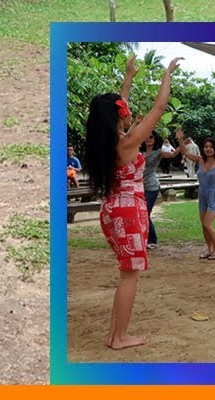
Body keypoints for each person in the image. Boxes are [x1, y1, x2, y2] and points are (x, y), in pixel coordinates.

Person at [84, 53, 183, 350]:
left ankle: (115, 334)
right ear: (119, 116)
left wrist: (128, 78)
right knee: (130, 276)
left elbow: (119, 105)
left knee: (126, 274)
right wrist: (167, 75)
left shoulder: (110, 143)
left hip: (114, 210)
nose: (128, 111)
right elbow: (159, 107)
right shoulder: (127, 143)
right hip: (128, 210)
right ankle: (119, 338)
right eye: (123, 109)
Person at [139, 132, 170, 249]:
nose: (148, 139)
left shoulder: (158, 152)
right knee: (141, 213)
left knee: (145, 213)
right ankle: (146, 239)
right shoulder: (139, 152)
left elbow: (173, 154)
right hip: (139, 186)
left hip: (152, 187)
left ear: (155, 139)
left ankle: (152, 239)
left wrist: (181, 140)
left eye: (151, 137)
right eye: (146, 136)